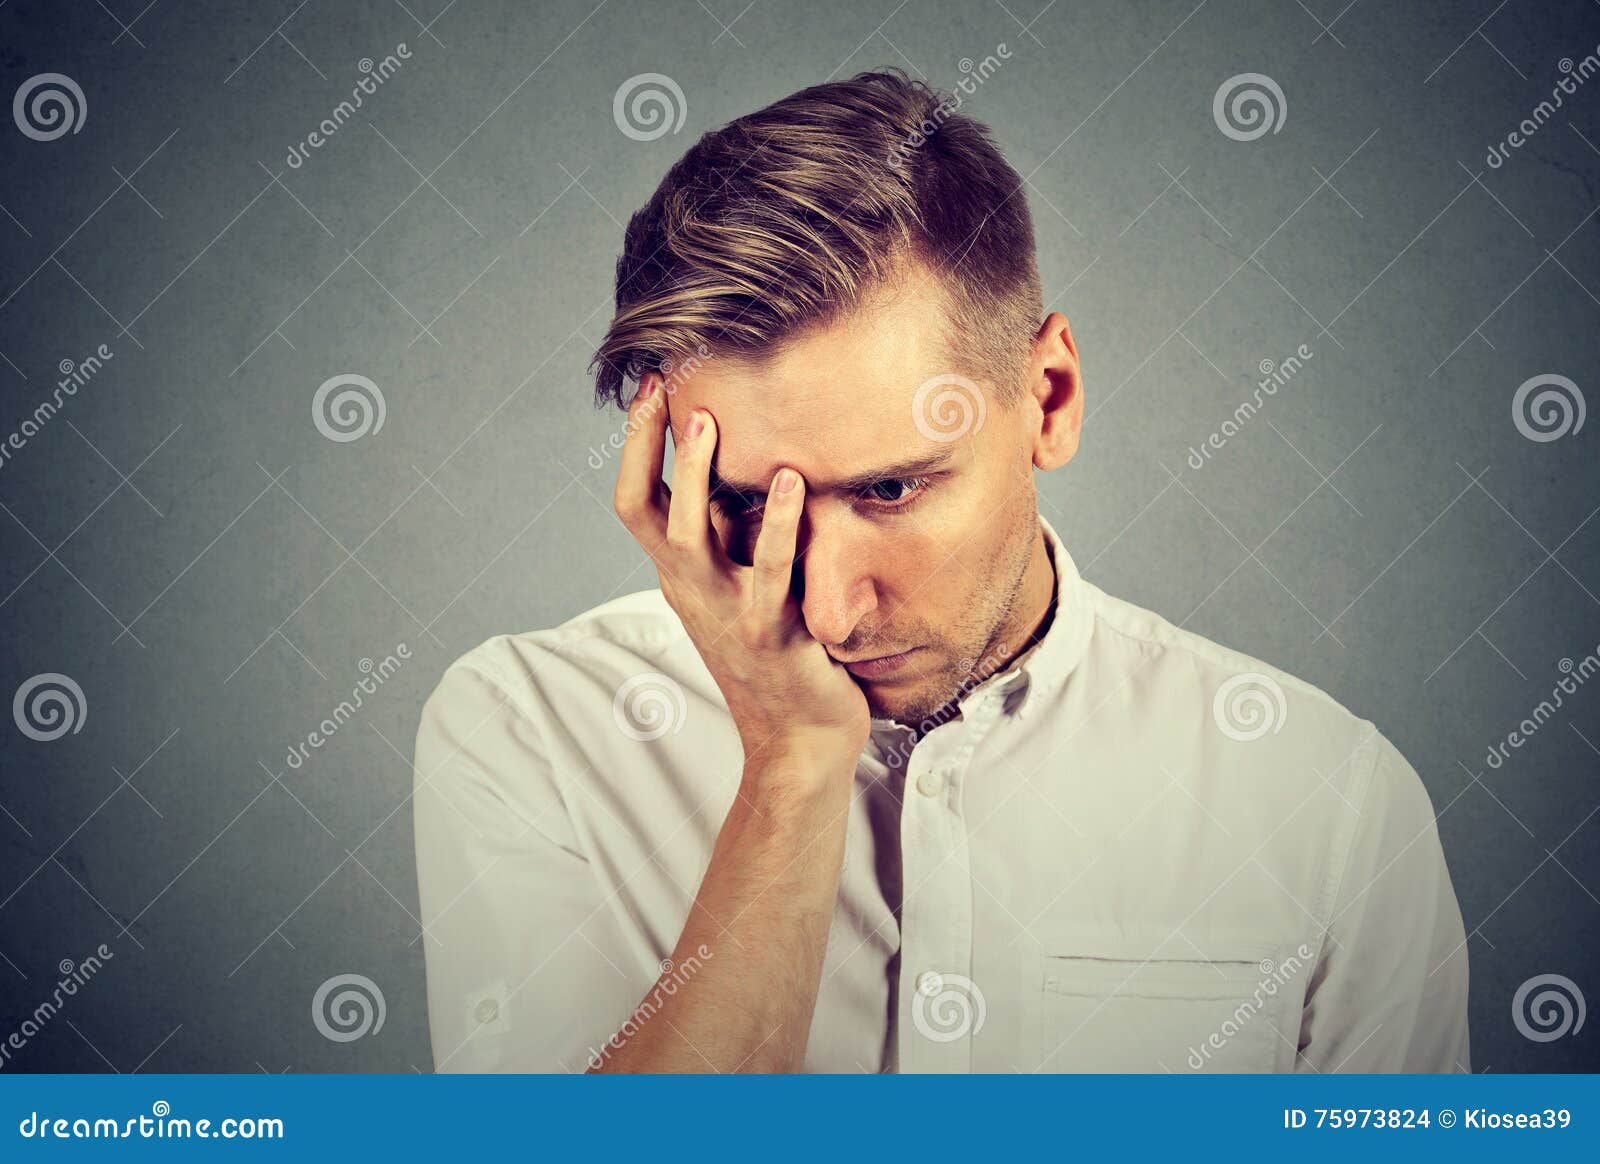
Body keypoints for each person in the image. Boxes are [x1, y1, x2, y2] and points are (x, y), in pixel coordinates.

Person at [412, 69, 1470, 1074]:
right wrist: (793, 764)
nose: (828, 609)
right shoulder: (530, 729)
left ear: (1047, 397)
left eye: (890, 491)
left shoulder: (1324, 803)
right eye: (741, 504)